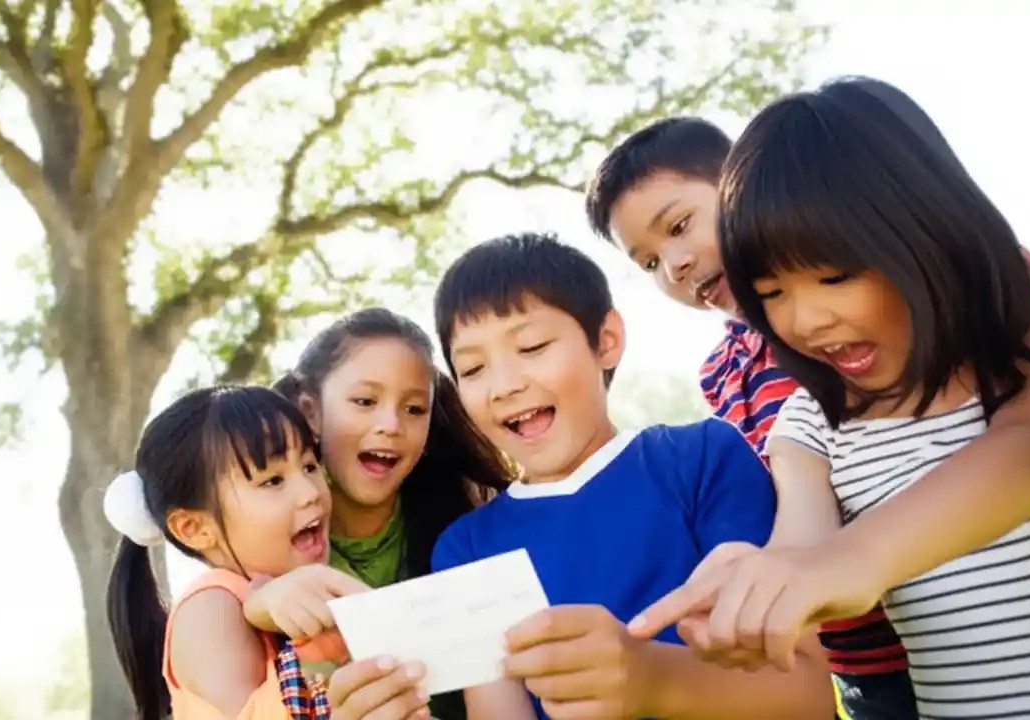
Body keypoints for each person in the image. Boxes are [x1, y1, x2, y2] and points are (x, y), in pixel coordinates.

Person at [627, 77, 1030, 717]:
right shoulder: (809, 424)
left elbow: (1027, 447)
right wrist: (757, 580)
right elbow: (804, 546)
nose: (807, 320)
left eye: (835, 276)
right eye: (772, 292)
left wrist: (854, 559)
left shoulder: (1017, 340)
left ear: (925, 229)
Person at [585, 116, 912, 717]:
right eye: (649, 262)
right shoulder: (723, 375)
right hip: (861, 659)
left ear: (745, 182)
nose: (675, 266)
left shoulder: (862, 307)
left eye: (680, 227)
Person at [429, 232, 834, 719]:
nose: (504, 386)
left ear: (606, 340)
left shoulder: (703, 458)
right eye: (472, 369)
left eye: (532, 346)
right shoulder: (466, 549)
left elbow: (805, 693)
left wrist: (652, 679)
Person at [268, 307, 513, 720]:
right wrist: (263, 598)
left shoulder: (464, 538)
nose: (391, 424)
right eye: (365, 401)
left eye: (414, 409)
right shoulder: (274, 549)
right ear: (310, 412)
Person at [105, 385, 364, 720]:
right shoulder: (209, 605)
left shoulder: (287, 596)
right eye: (272, 480)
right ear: (194, 528)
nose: (309, 492)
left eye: (310, 466)